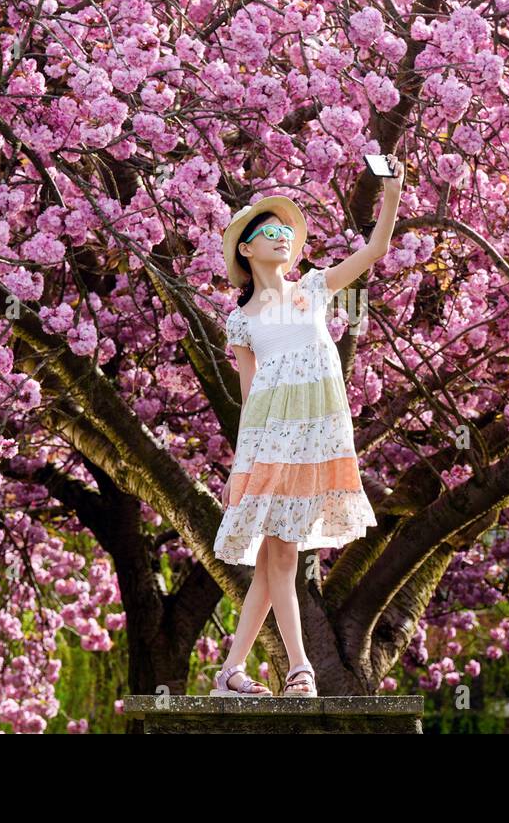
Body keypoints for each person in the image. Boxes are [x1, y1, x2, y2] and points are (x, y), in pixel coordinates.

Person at [210, 154, 405, 697]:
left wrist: (390, 195)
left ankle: (232, 673)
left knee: (279, 558)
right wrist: (238, 465)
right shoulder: (241, 321)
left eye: (284, 232)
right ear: (247, 249)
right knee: (282, 557)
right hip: (271, 443)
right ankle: (299, 668)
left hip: (316, 439)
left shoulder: (314, 289)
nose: (280, 237)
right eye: (268, 231)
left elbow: (375, 251)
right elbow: (250, 398)